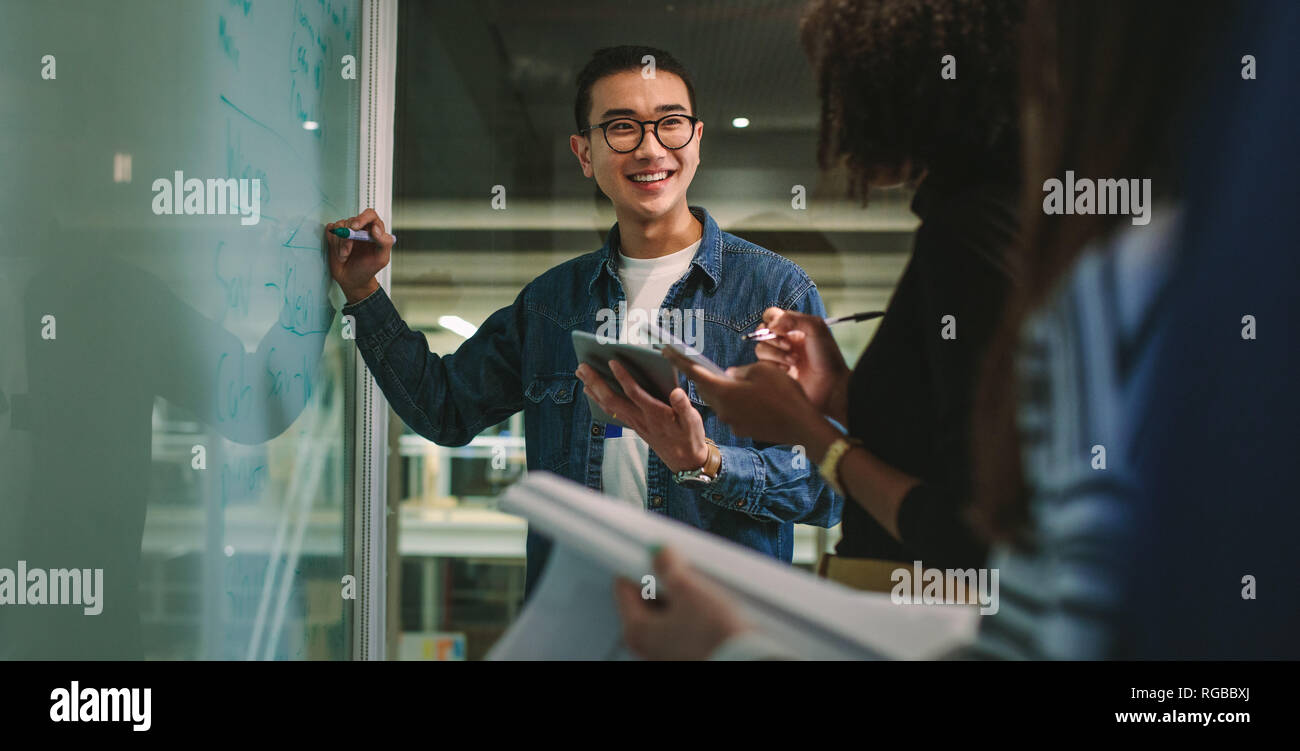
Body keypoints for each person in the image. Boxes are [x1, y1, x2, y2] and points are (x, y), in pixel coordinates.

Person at [619, 0, 1258, 661]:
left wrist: (810, 435)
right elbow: (965, 451)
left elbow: (970, 533)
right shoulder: (1020, 222)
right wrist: (839, 397)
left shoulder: (976, 230)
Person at [327, 45, 841, 595]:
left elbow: (826, 486)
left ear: (696, 140)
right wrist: (362, 290)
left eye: (670, 124)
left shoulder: (775, 293)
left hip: (722, 630)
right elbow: (444, 409)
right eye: (622, 127)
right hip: (579, 623)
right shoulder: (552, 304)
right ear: (584, 153)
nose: (649, 149)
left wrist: (708, 461)